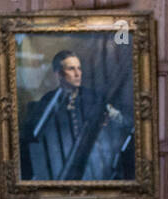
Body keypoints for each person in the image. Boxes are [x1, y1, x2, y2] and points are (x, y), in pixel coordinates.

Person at [21, 50, 131, 181]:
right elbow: (33, 137)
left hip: (92, 163)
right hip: (59, 167)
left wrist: (108, 121)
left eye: (79, 68)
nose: (78, 74)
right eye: (71, 69)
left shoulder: (94, 98)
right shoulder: (48, 101)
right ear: (58, 74)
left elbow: (122, 121)